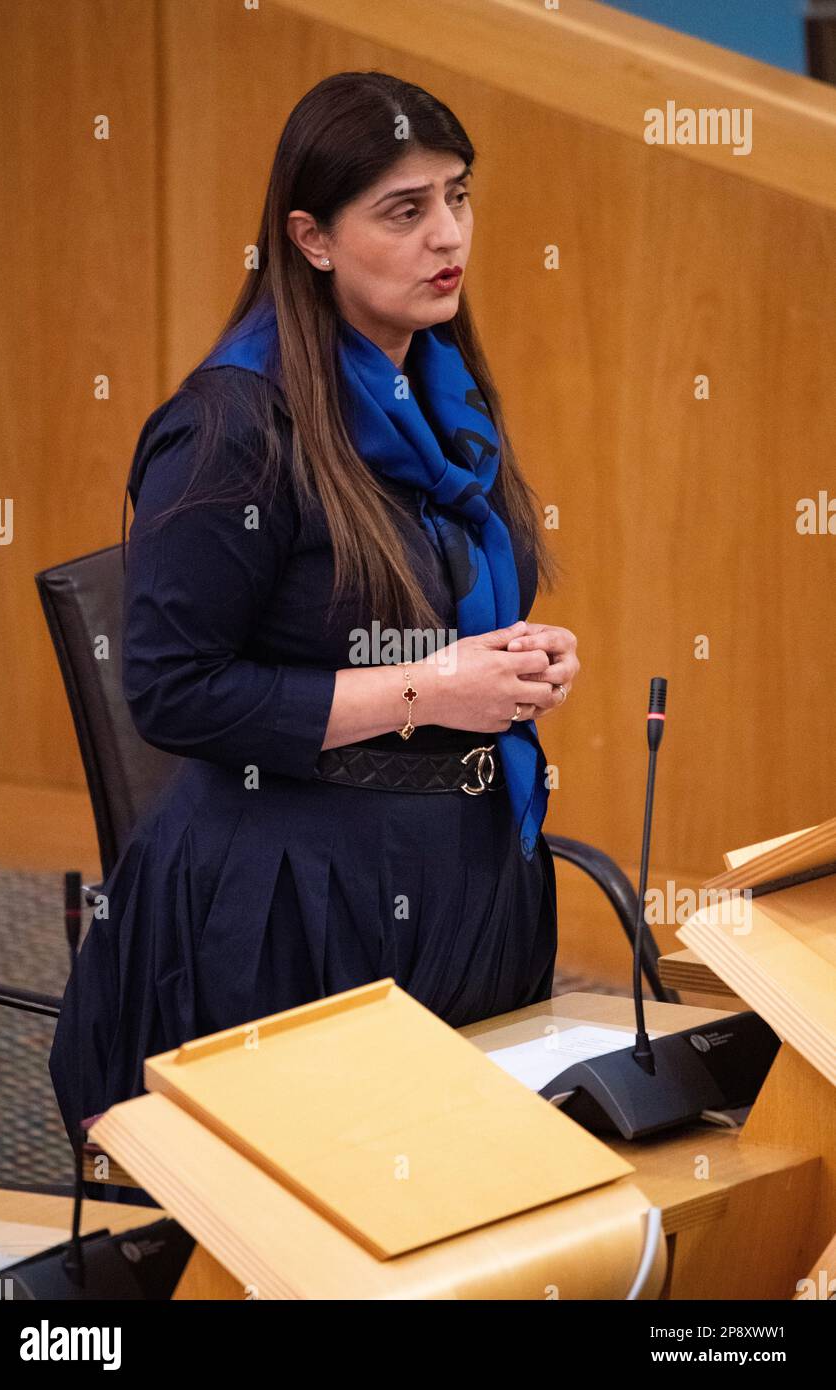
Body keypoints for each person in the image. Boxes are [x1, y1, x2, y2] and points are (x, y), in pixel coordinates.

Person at [48, 71, 580, 1194]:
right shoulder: (230, 427)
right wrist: (426, 693)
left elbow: (424, 615)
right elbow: (174, 693)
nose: (449, 236)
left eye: (459, 196)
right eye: (403, 209)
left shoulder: (433, 388)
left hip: (463, 869)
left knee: (457, 1215)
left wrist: (511, 662)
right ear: (311, 238)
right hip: (295, 899)